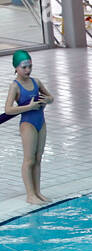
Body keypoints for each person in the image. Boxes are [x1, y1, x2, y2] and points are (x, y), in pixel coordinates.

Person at [5, 50, 53, 205]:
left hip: (41, 122)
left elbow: (51, 97)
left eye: (29, 66)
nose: (27, 70)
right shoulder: (15, 86)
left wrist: (47, 100)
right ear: (16, 68)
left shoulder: (36, 82)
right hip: (28, 124)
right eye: (24, 67)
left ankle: (38, 192)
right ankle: (30, 194)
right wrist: (29, 107)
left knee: (38, 158)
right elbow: (8, 110)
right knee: (29, 160)